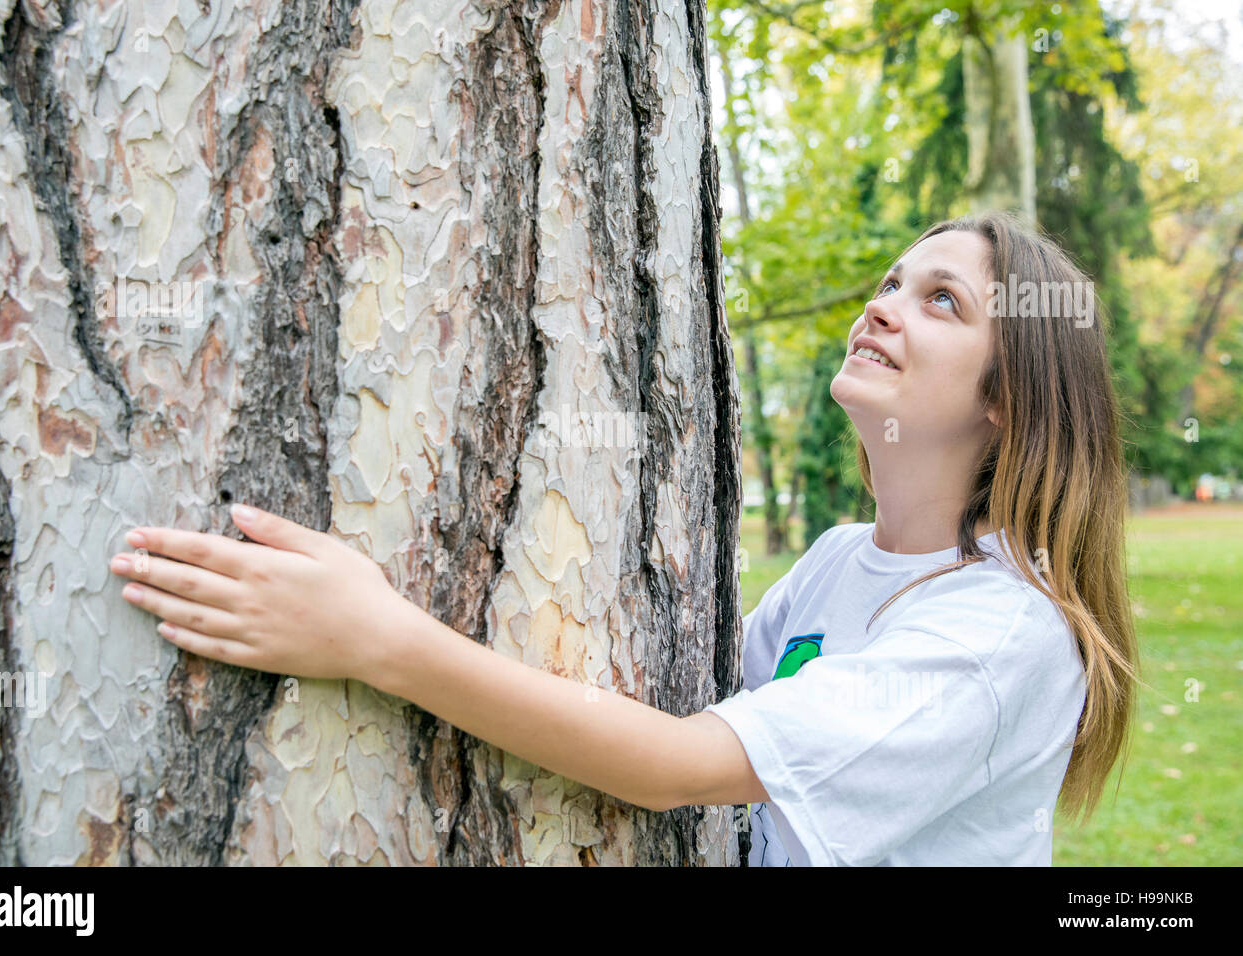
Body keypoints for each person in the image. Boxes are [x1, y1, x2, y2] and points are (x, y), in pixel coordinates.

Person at [108, 210, 1139, 866]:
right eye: (888, 283)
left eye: (939, 301)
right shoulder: (838, 558)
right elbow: (676, 703)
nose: (882, 309)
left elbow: (677, 762)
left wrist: (376, 638)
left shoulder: (1000, 633)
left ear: (1008, 396)